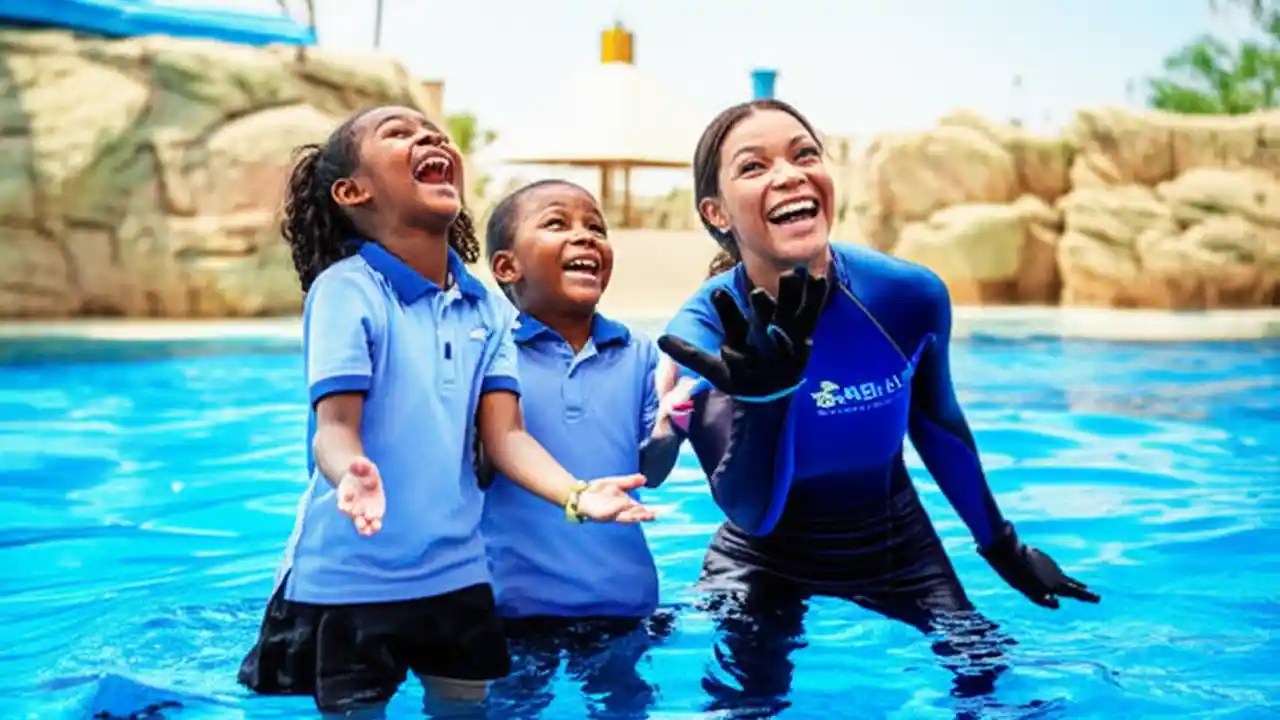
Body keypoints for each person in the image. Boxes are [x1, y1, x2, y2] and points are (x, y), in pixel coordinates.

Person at [656, 99, 1102, 714]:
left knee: (987, 678)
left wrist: (1003, 547)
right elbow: (751, 513)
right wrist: (765, 398)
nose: (789, 174)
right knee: (747, 697)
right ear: (717, 212)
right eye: (754, 167)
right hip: (764, 558)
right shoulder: (709, 328)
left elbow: (937, 426)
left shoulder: (906, 297)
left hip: (893, 541)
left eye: (805, 154)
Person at [235, 107, 655, 719]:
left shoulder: (485, 308)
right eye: (398, 133)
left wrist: (577, 495)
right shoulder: (347, 290)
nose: (428, 136)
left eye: (430, 131)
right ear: (354, 192)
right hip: (352, 580)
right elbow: (335, 428)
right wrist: (351, 473)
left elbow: (506, 436)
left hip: (457, 579)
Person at [478, 179, 687, 719]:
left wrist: (674, 426)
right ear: (507, 267)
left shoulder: (639, 353)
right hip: (514, 608)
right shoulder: (490, 355)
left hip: (621, 602)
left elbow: (652, 473)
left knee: (624, 706)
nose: (586, 237)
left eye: (596, 227)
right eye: (558, 224)